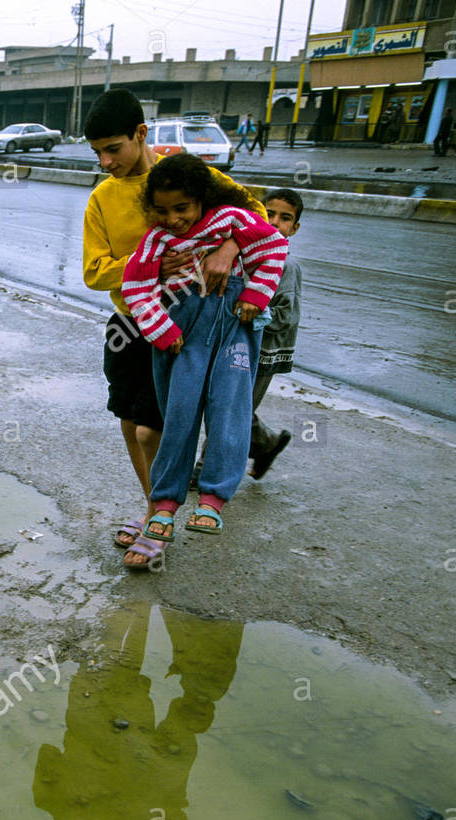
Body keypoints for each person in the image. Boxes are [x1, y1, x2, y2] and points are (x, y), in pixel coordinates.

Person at [82, 88, 265, 554]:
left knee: (155, 427)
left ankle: (156, 518)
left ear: (140, 134)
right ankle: (153, 508)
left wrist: (228, 247)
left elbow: (256, 216)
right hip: (128, 324)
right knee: (129, 422)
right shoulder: (102, 198)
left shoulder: (187, 174)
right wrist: (142, 267)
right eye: (97, 152)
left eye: (113, 149)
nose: (105, 162)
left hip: (187, 326)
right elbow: (93, 271)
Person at [118, 154, 288, 570]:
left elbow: (274, 248)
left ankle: (213, 499)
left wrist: (254, 296)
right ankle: (163, 506)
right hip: (182, 334)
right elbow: (136, 287)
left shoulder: (232, 220)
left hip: (234, 326)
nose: (172, 218)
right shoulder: (155, 242)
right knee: (178, 415)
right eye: (161, 210)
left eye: (182, 208)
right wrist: (162, 330)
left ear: (201, 201)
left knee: (230, 409)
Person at [250, 188, 304, 480]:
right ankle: (266, 443)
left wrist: (249, 312)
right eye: (269, 213)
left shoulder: (287, 266)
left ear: (294, 229)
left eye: (285, 218)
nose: (274, 222)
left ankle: (205, 469)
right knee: (227, 407)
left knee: (236, 411)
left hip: (265, 351)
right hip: (241, 346)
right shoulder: (248, 254)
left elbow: (285, 315)